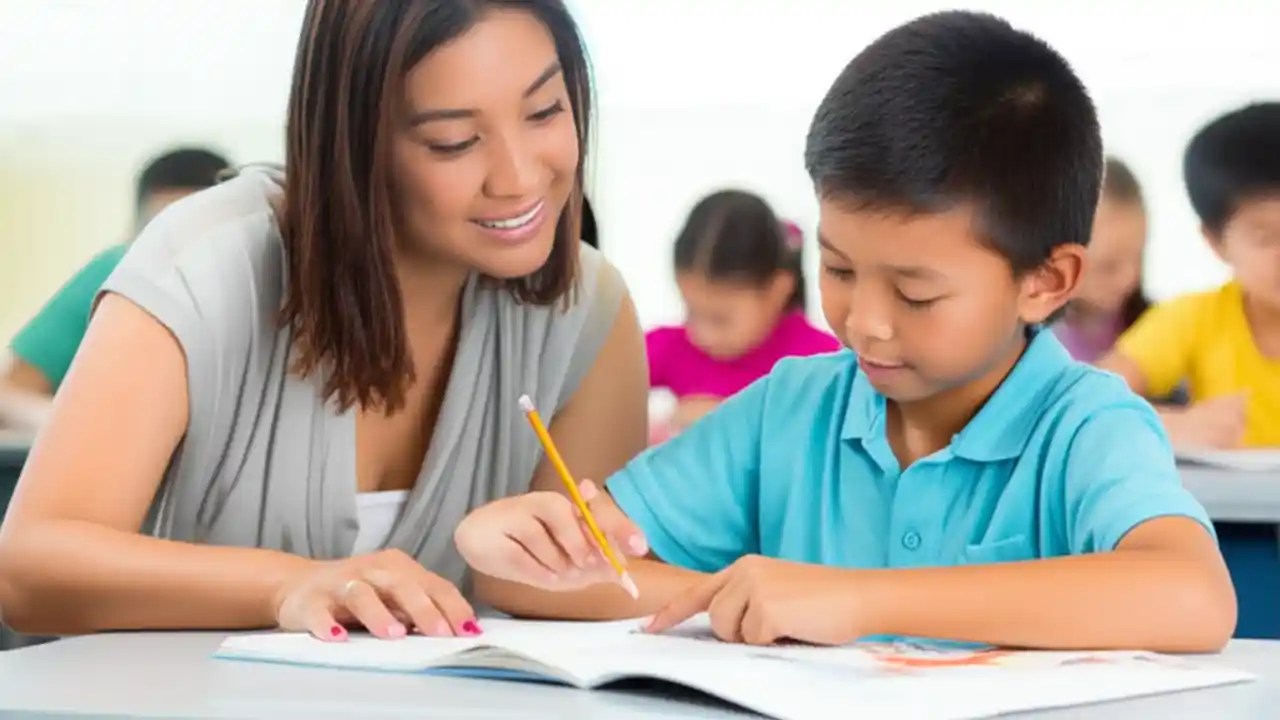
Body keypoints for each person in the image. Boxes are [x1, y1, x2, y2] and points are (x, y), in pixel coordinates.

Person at [454, 11, 1234, 653]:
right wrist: (518, 548)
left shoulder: (1087, 425)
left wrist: (853, 599)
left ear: (1047, 281)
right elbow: (534, 579)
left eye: (917, 292)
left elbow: (1194, 597)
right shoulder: (791, 409)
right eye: (839, 269)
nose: (864, 321)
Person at [0, 0, 648, 643]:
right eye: (452, 141)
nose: (517, 177)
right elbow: (27, 572)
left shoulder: (588, 311)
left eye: (544, 112)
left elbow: (581, 589)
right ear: (355, 142)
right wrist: (287, 585)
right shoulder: (205, 263)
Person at [0, 148, 231, 430]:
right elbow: (11, 392)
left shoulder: (258, 286)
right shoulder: (114, 271)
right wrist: (82, 430)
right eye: (157, 230)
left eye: (197, 234)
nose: (176, 254)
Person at [1101, 102, 1280, 449]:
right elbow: (1080, 403)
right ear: (1215, 242)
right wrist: (1163, 426)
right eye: (1266, 238)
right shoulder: (1194, 319)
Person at [646, 191, 839, 435]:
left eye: (720, 319)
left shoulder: (820, 364)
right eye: (691, 312)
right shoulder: (671, 346)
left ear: (778, 291)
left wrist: (733, 422)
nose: (703, 335)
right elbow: (600, 383)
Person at [1053, 157, 1149, 363]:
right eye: (1109, 266)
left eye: (1139, 257)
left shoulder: (1157, 325)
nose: (1129, 278)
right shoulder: (1022, 348)